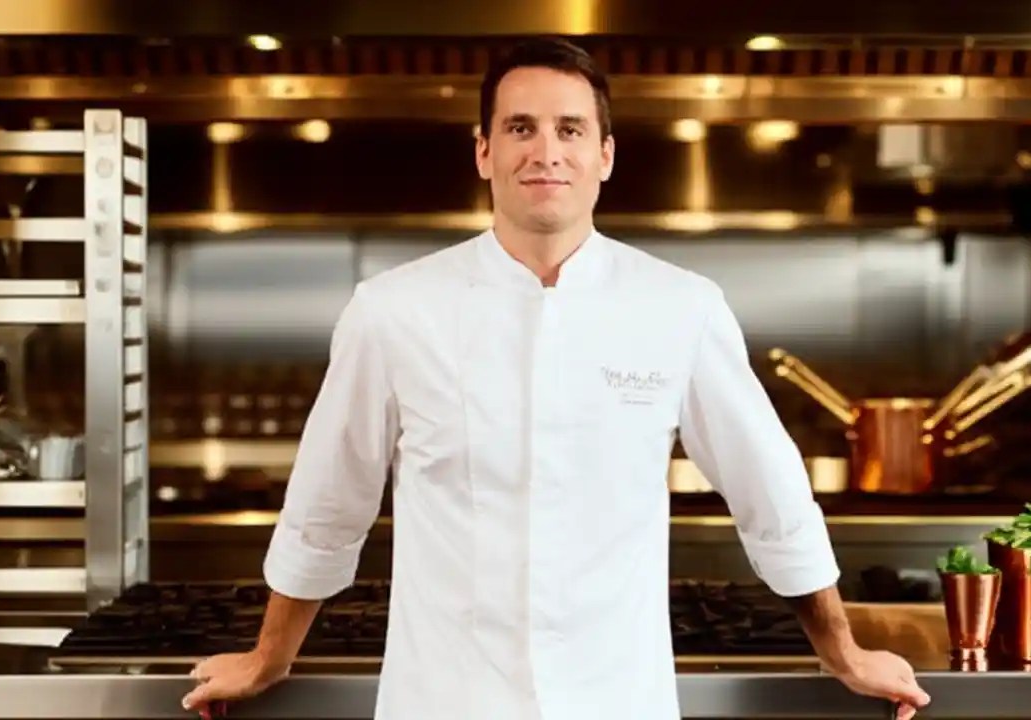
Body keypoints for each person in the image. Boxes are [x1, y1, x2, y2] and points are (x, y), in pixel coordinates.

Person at [181, 36, 931, 720]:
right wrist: (268, 656)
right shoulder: (392, 311)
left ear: (605, 155)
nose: (546, 151)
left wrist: (843, 650)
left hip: (616, 699)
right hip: (446, 702)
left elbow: (771, 493)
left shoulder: (681, 308)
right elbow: (327, 504)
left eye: (570, 130)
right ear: (483, 152)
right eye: (521, 128)